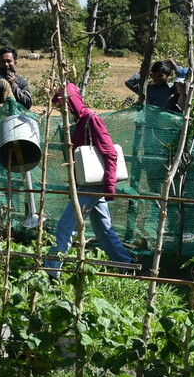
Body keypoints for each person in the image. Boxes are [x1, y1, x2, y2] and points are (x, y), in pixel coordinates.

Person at [45, 83, 136, 273]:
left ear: (73, 102)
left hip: (92, 185)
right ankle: (127, 265)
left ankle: (51, 271)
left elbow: (110, 153)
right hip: (89, 183)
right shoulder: (79, 121)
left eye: (64, 106)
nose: (63, 111)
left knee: (65, 227)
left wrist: (109, 186)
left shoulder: (92, 120)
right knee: (104, 230)